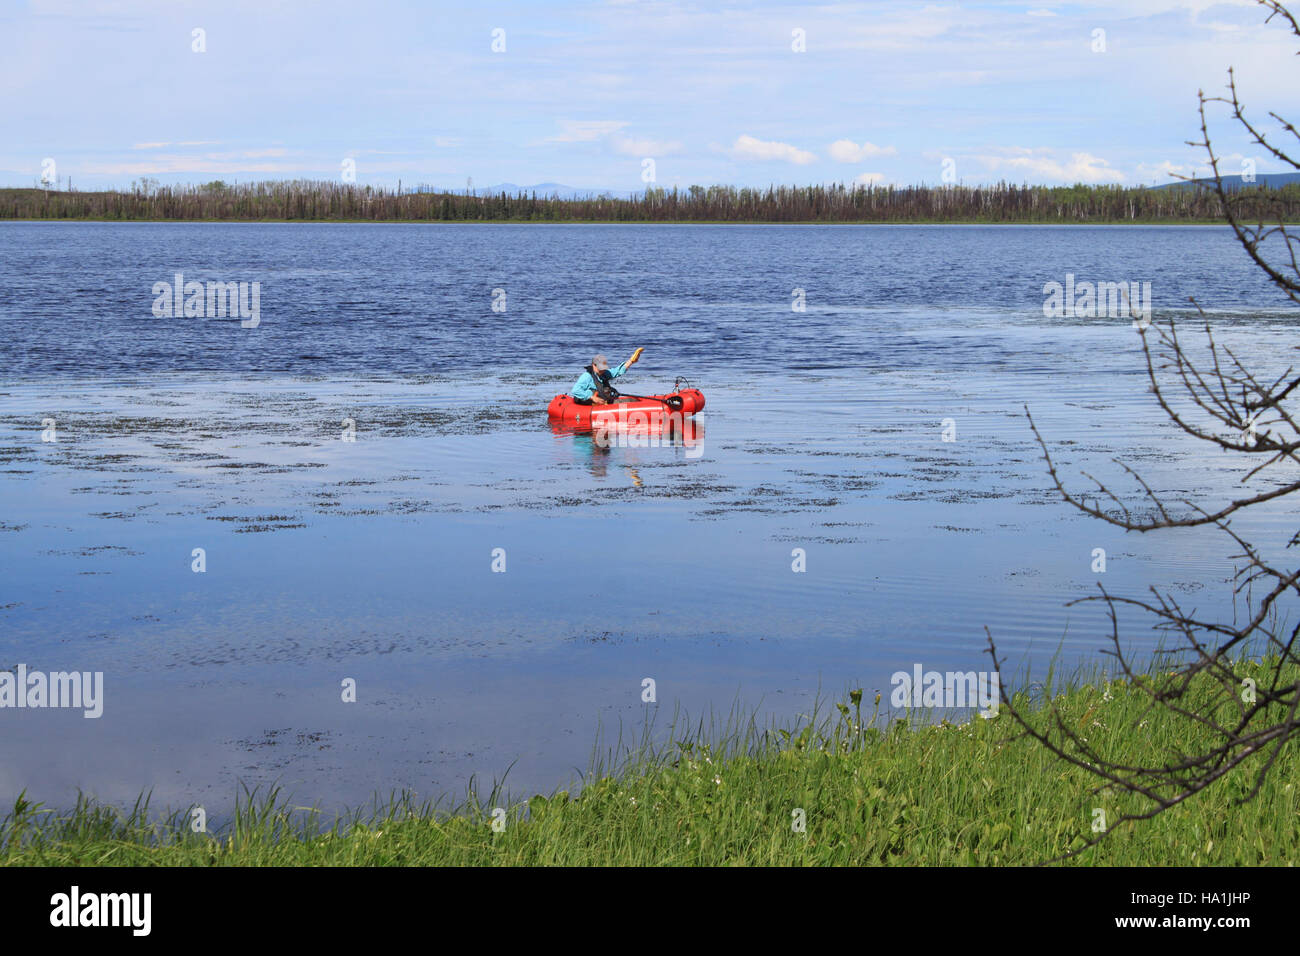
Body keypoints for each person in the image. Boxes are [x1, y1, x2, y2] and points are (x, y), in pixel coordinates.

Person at [571, 348, 643, 404]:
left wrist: (631, 361)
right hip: (592, 404)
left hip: (605, 401)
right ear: (593, 365)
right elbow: (575, 390)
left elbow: (617, 371)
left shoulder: (604, 373)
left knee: (633, 400)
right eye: (600, 368)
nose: (602, 370)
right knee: (631, 401)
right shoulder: (587, 376)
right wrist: (592, 397)